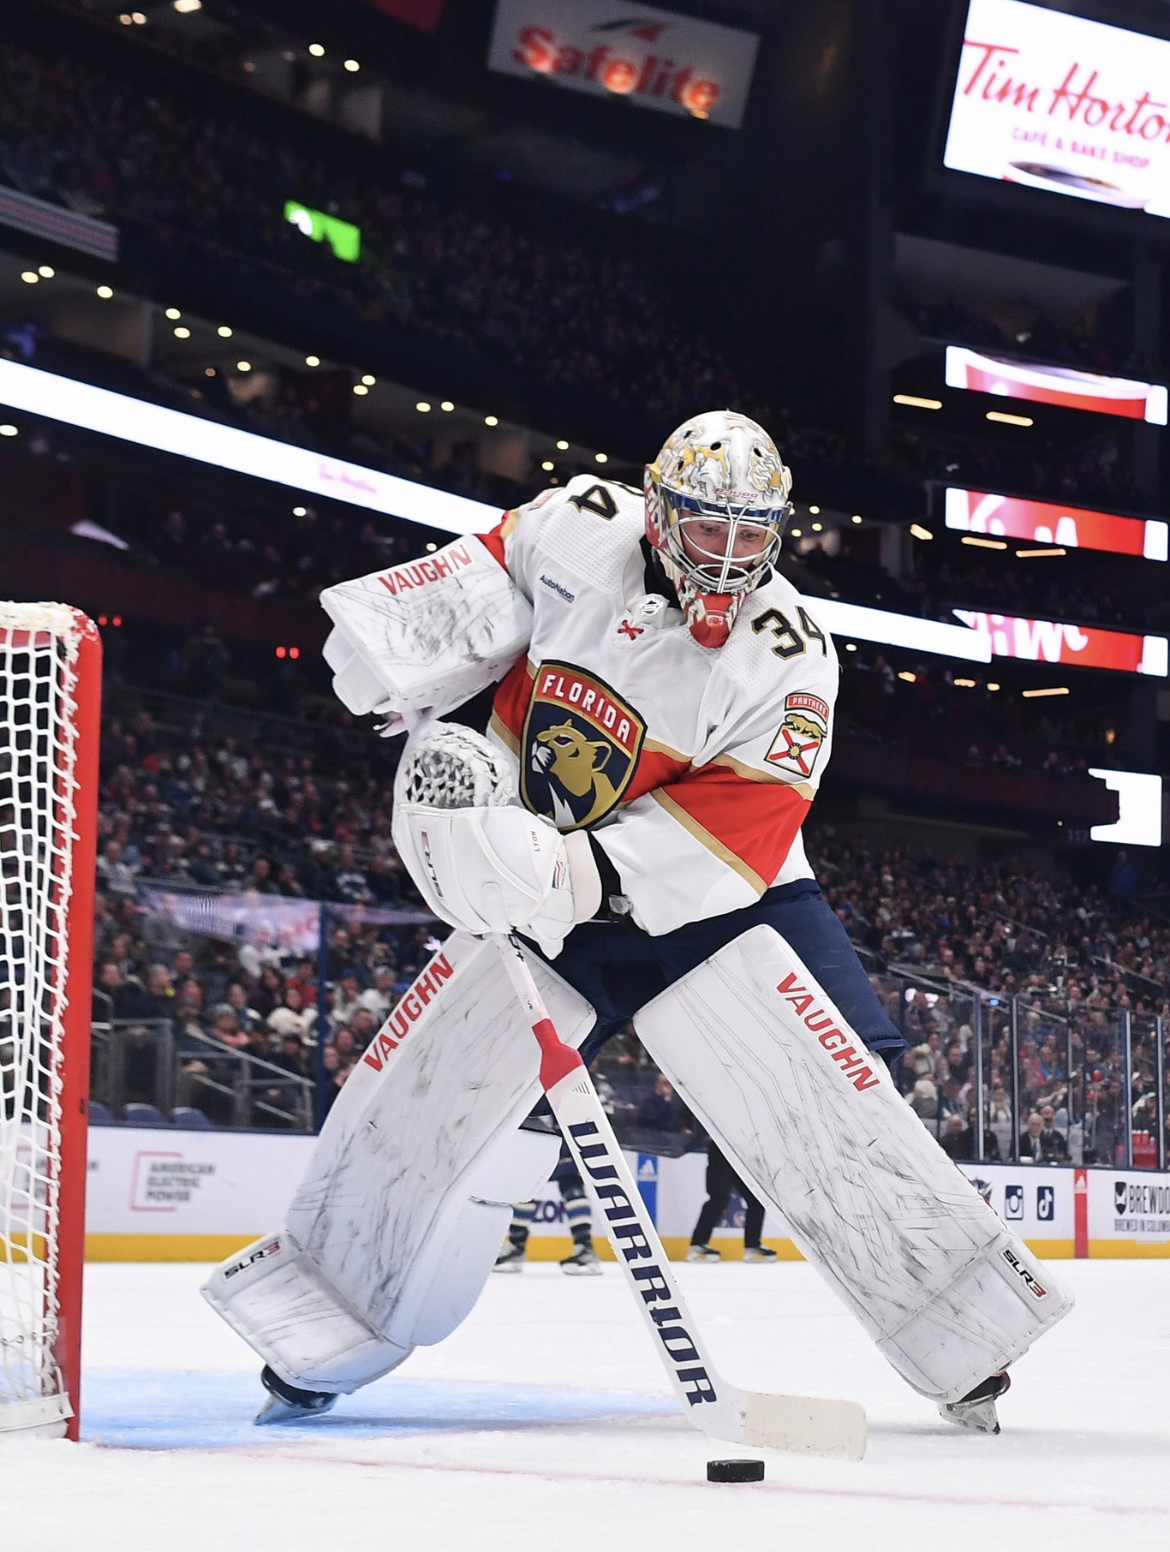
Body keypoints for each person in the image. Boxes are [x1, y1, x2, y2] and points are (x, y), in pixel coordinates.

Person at [212, 410, 1050, 1435]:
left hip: (727, 898)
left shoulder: (793, 656)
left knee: (840, 1098)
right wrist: (410, 637)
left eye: (754, 536)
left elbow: (744, 827)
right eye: (710, 530)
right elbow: (490, 568)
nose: (732, 558)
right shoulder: (576, 521)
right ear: (659, 510)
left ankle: (958, 1325)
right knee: (427, 1098)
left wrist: (571, 868)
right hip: (535, 872)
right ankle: (329, 1318)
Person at [492, 1138, 601, 1276]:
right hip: (562, 1134)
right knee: (563, 1182)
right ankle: (585, 1248)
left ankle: (517, 1247)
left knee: (528, 1181)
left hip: (550, 1134)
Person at [688, 1138, 777, 1263]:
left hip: (743, 1151)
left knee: (756, 1200)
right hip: (721, 1148)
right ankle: (698, 1243)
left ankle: (752, 1245)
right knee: (719, 1198)